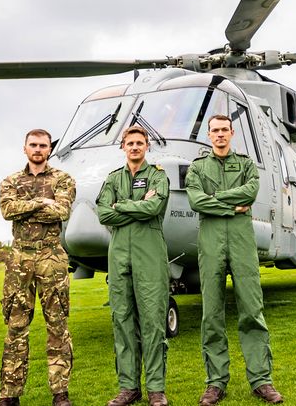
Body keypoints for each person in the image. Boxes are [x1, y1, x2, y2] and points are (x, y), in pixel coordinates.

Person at [186, 115, 284, 405]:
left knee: (252, 311)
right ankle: (215, 382)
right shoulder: (197, 167)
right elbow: (195, 200)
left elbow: (250, 192)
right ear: (209, 134)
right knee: (212, 315)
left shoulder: (246, 165)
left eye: (223, 130)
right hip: (211, 244)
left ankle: (261, 380)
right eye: (214, 131)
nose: (219, 135)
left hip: (242, 244)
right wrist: (232, 208)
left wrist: (215, 197)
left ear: (232, 133)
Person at [0, 129, 76, 406]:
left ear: (49, 149)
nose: (38, 149)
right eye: (33, 145)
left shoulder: (62, 179)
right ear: (25, 148)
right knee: (16, 326)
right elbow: (7, 210)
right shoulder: (10, 180)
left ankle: (60, 392)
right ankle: (10, 394)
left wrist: (26, 207)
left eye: (43, 145)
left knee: (57, 325)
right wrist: (41, 202)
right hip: (20, 260)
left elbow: (61, 211)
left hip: (51, 257)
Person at [96, 125, 171, 406]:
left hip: (149, 256)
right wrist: (134, 206)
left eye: (140, 143)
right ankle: (128, 387)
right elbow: (103, 213)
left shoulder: (158, 175)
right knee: (122, 321)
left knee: (152, 322)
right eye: (130, 143)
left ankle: (156, 389)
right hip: (119, 258)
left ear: (147, 146)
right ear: (123, 147)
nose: (135, 147)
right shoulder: (113, 178)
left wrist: (120, 207)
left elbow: (154, 209)